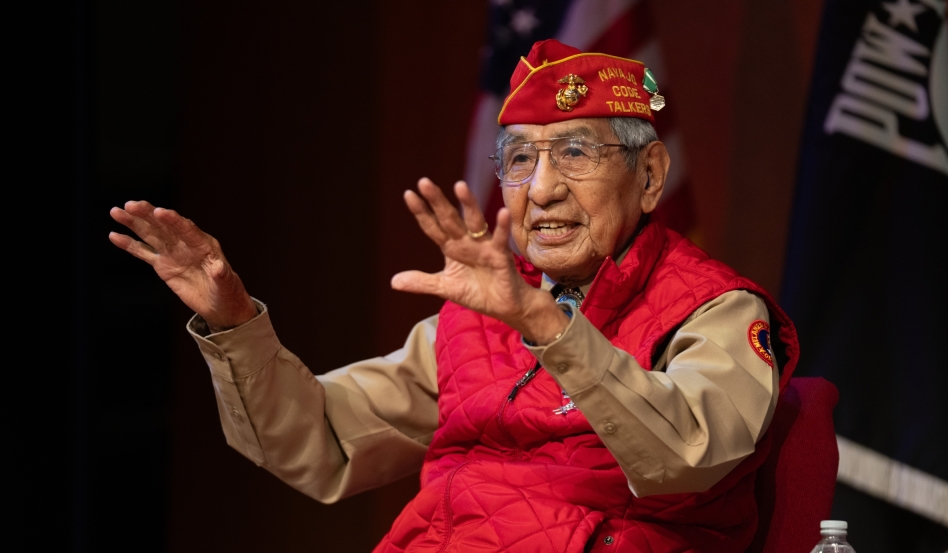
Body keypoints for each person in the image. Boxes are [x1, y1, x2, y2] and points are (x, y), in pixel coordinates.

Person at [110, 39, 799, 553]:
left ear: (649, 176)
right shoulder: (478, 315)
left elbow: (690, 455)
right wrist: (235, 324)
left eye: (576, 154)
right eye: (521, 159)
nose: (543, 188)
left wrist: (546, 328)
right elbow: (319, 441)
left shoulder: (715, 308)